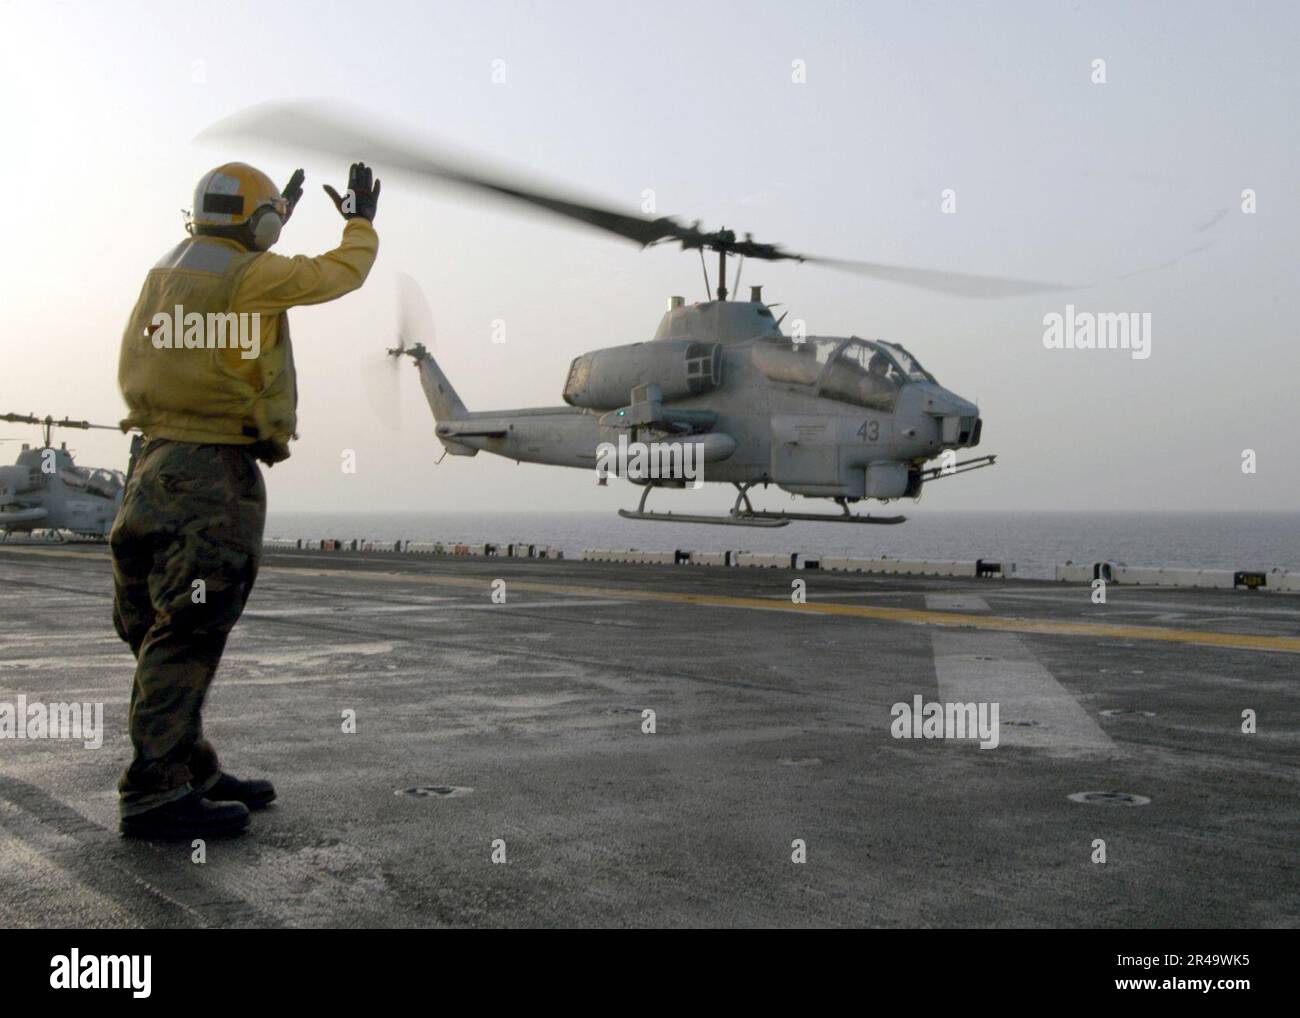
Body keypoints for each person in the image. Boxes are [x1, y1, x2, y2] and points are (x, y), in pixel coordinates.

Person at [111, 160, 381, 837]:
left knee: (156, 629)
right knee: (188, 632)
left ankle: (188, 767)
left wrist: (272, 218)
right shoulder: (251, 275)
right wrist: (359, 222)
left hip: (148, 466)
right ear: (255, 224)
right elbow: (338, 274)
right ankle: (155, 794)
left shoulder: (169, 269)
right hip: (210, 474)